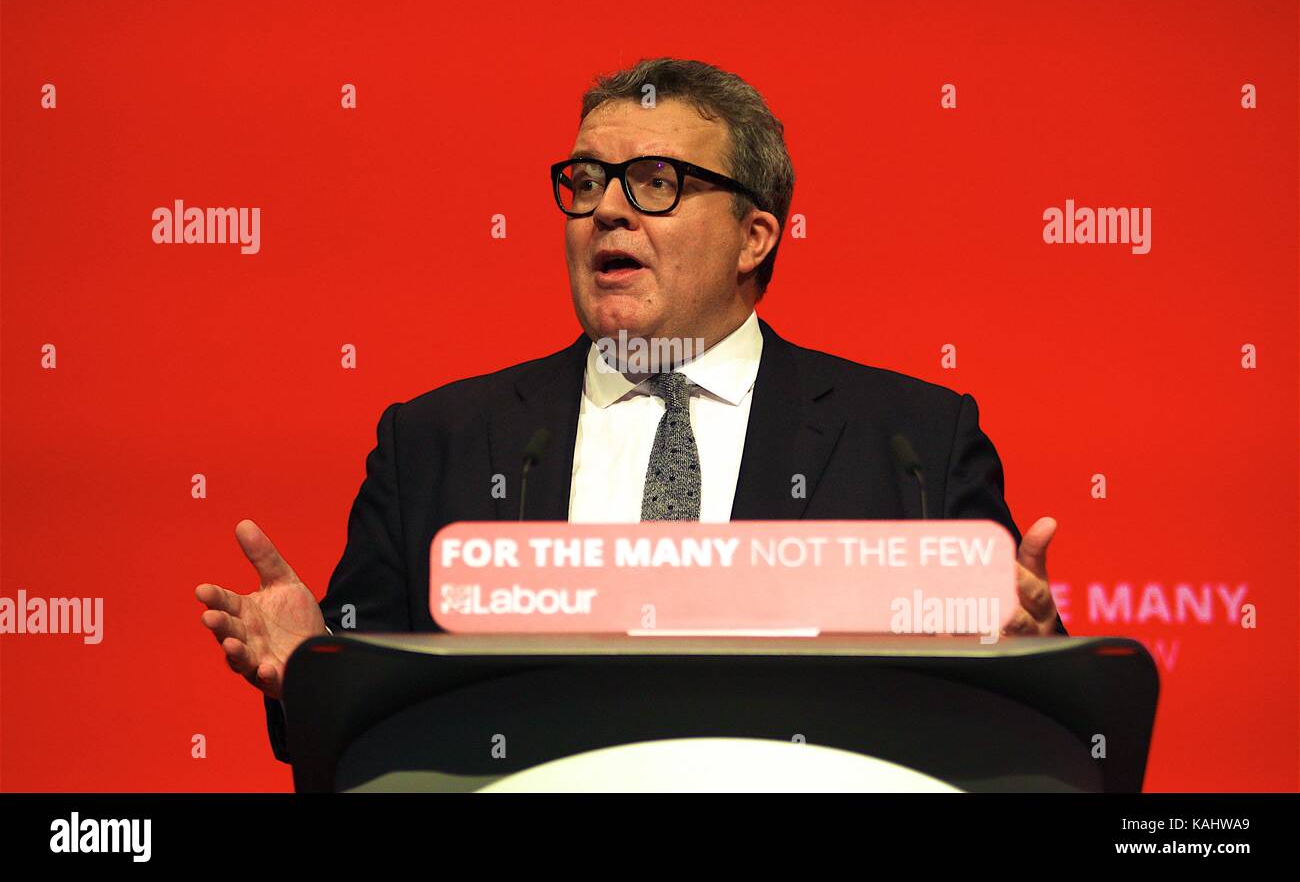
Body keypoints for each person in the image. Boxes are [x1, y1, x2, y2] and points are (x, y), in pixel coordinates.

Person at [195, 57, 1065, 764]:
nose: (606, 208)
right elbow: (368, 745)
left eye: (655, 181)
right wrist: (314, 672)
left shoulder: (910, 441)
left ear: (755, 236)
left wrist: (1027, 657)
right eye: (585, 180)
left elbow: (1021, 731)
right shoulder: (436, 444)